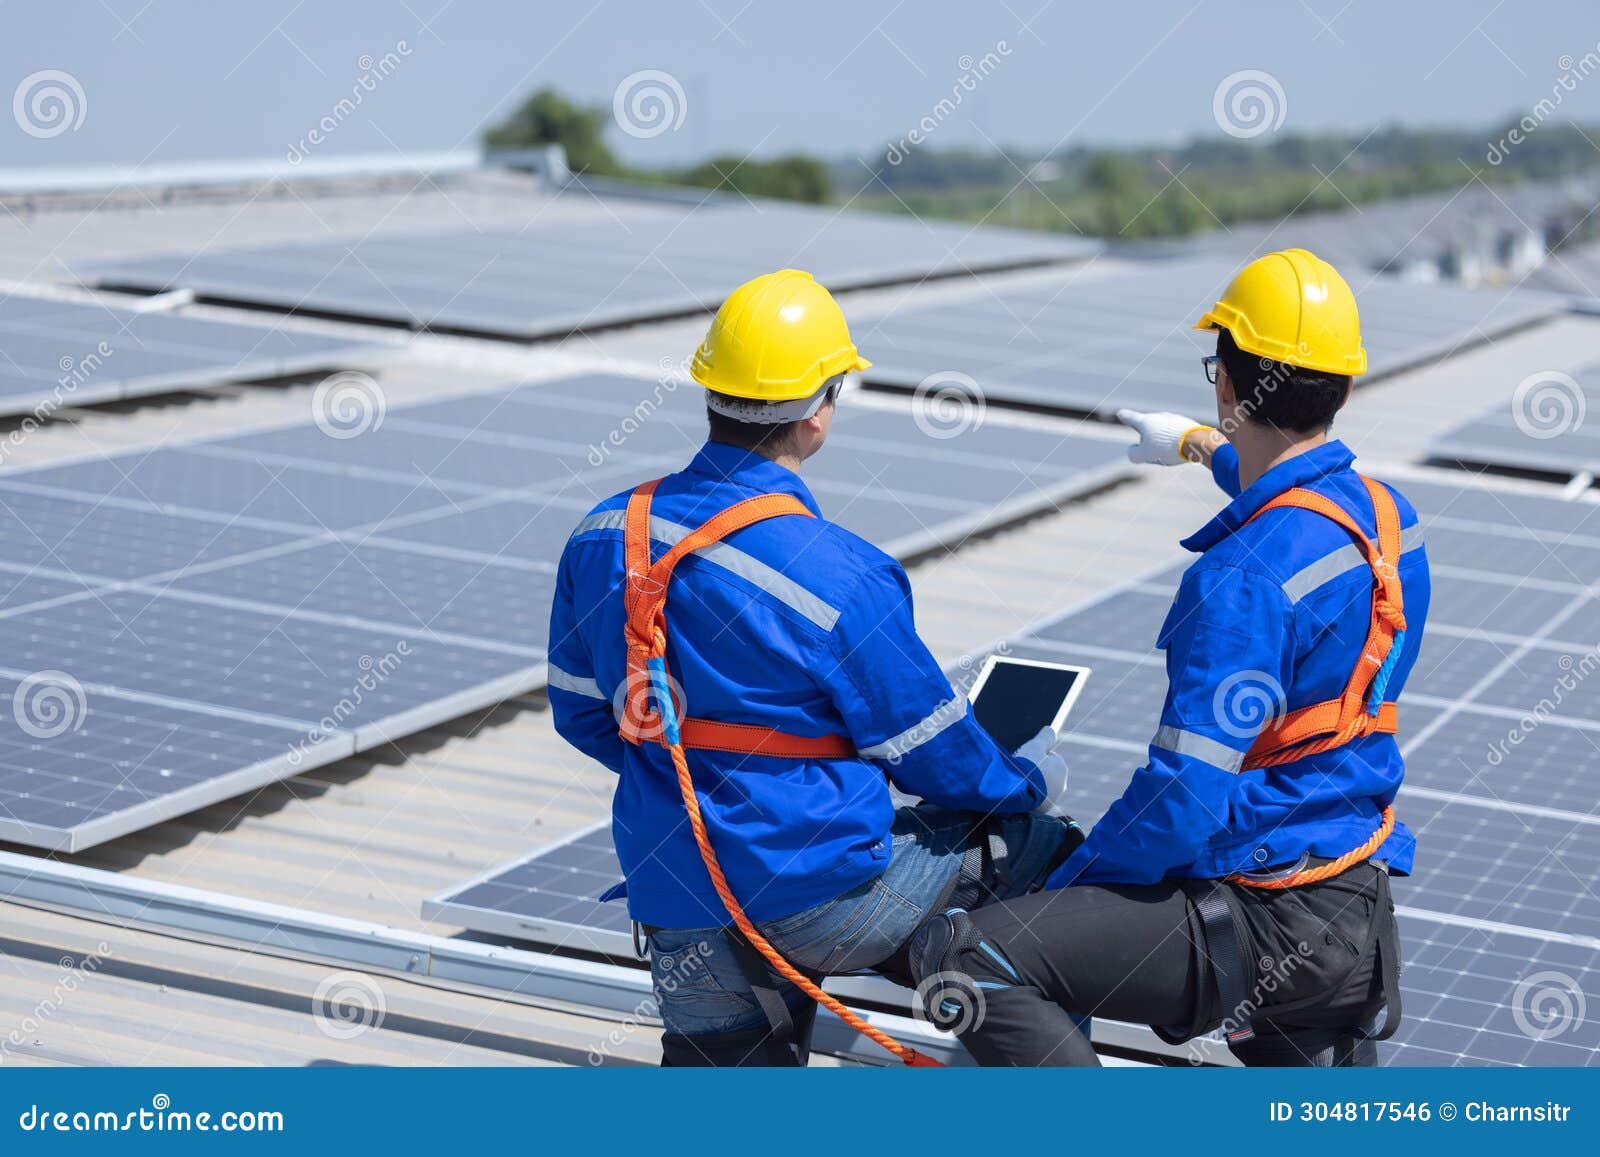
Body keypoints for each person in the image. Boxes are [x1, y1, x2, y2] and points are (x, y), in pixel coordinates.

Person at [906, 248, 1430, 1067]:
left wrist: (1071, 882)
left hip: (1261, 912)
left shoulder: (1240, 580)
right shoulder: (1389, 525)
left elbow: (1184, 798)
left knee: (974, 956)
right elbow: (1295, 497)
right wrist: (1197, 446)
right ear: (1347, 387)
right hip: (1351, 908)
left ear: (1225, 381)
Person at [547, 269, 1078, 1066]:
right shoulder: (839, 576)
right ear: (821, 412)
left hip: (675, 896)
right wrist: (1029, 779)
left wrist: (696, 769)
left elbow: (584, 714)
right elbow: (936, 759)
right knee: (1046, 849)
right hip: (819, 902)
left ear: (709, 392)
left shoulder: (602, 537)